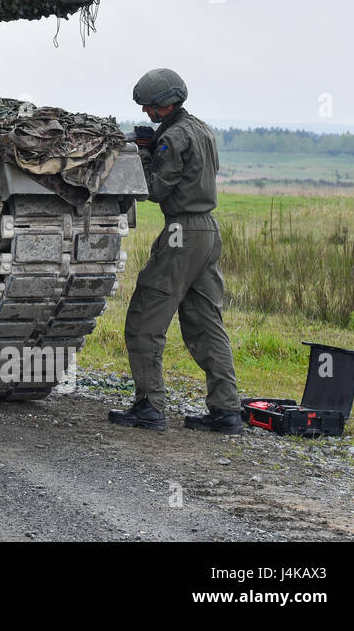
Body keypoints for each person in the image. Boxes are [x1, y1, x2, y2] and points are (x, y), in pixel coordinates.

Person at [108, 69, 241, 433]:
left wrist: (146, 153)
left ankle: (149, 406)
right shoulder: (200, 128)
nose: (146, 112)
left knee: (145, 318)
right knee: (206, 323)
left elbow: (155, 189)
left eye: (149, 106)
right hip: (208, 231)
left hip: (182, 231)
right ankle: (227, 410)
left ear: (164, 103)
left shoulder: (174, 137)